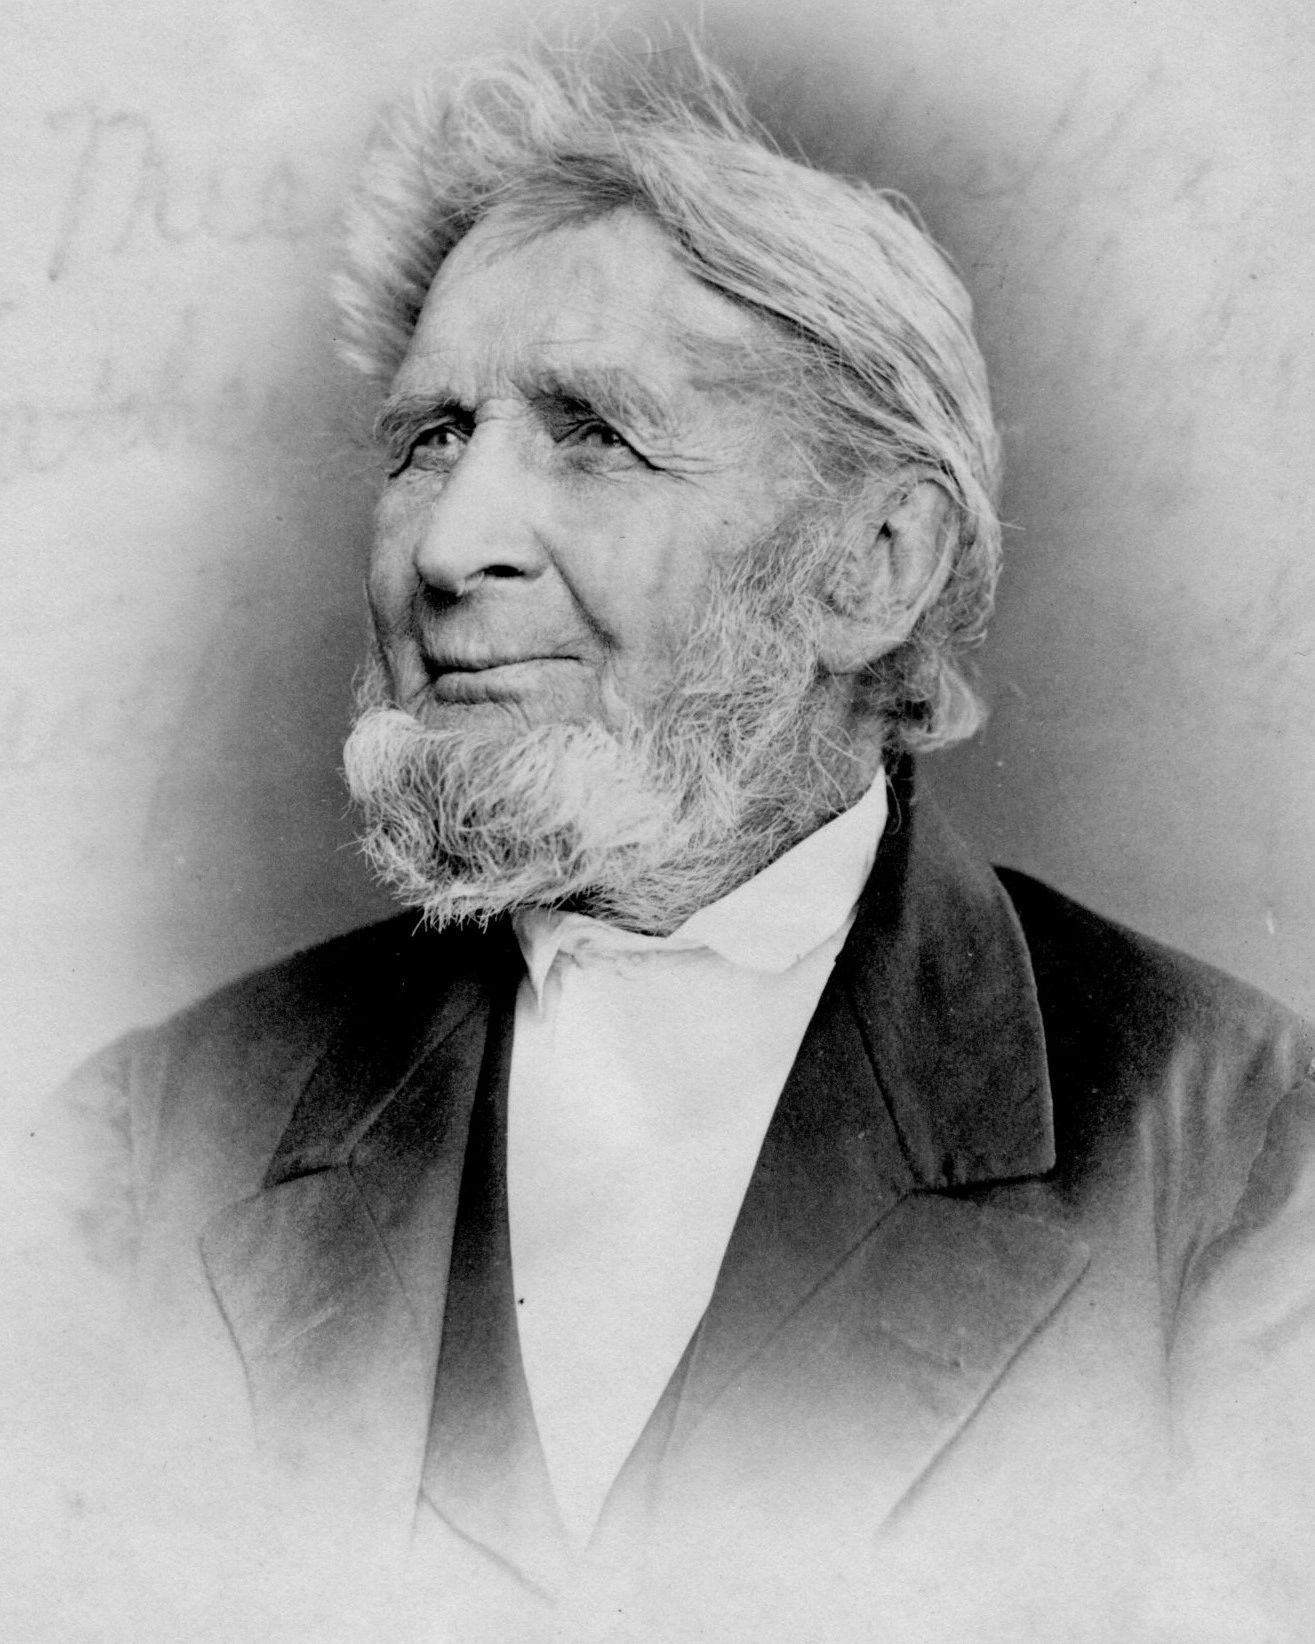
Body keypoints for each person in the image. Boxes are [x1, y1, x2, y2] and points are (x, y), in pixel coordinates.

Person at [28, 37, 1315, 1644]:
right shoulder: (147, 1138)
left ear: (871, 565)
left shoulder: (1241, 1154)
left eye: (594, 436)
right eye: (432, 440)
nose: (451, 547)